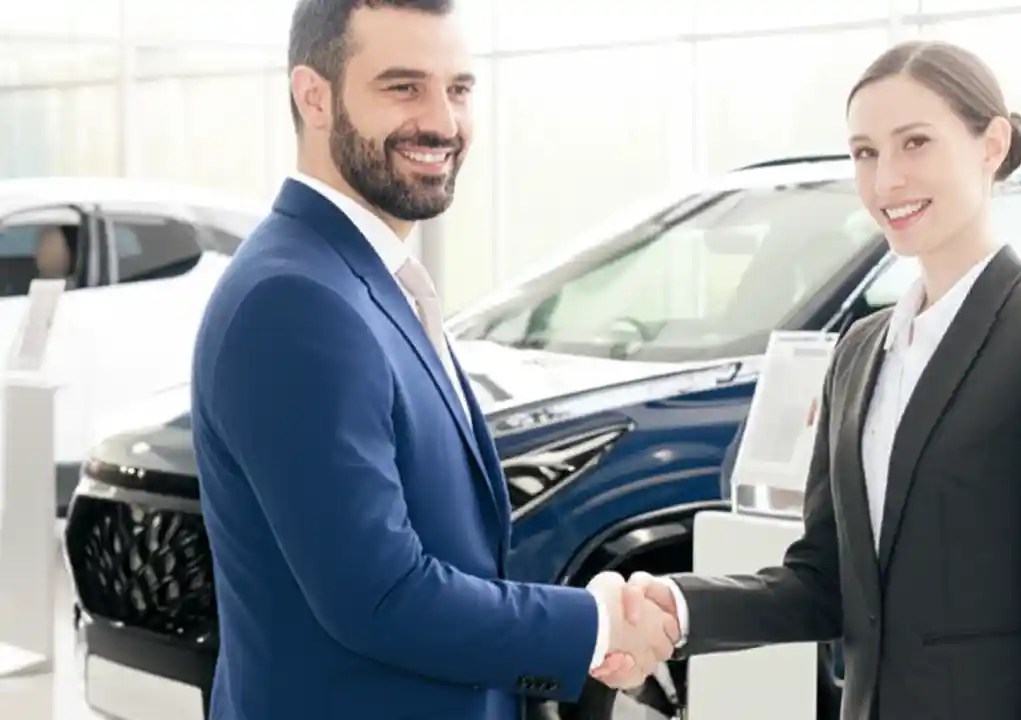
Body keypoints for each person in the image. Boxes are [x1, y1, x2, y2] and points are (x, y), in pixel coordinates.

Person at [605, 40, 1021, 720]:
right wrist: (676, 609)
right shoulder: (858, 352)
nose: (886, 183)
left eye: (915, 143)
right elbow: (823, 583)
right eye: (865, 153)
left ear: (990, 144)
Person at [190, 2, 674, 718]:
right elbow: (382, 596)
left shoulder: (362, 278)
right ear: (313, 96)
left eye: (459, 89)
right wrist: (594, 624)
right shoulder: (296, 300)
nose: (443, 124)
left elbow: (447, 547)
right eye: (403, 87)